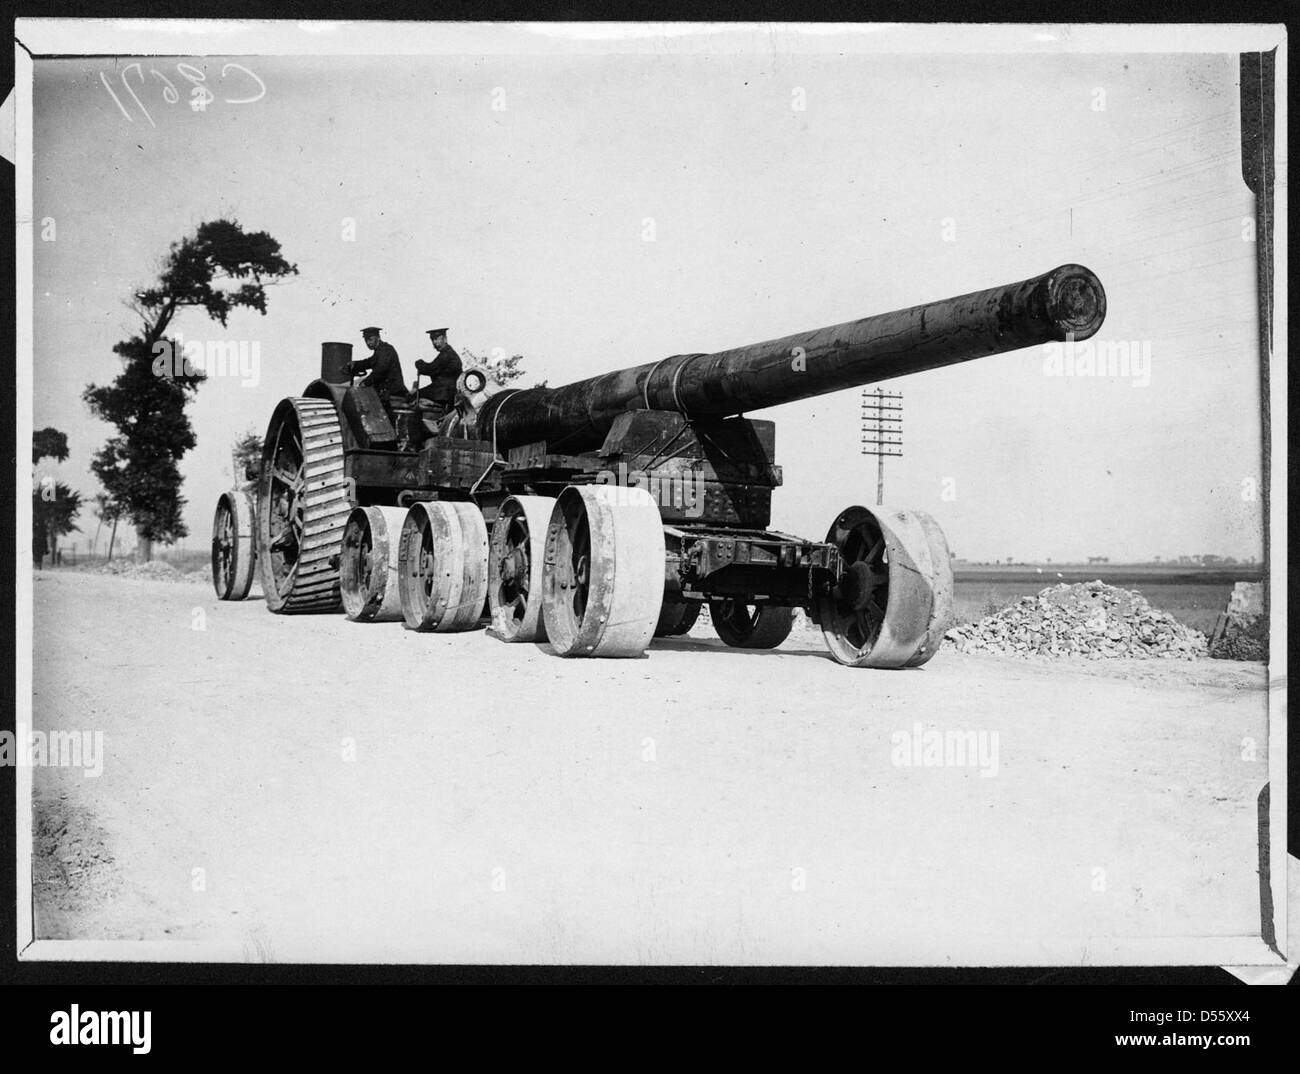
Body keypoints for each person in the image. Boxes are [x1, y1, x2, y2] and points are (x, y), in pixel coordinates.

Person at [348, 327, 407, 400]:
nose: (368, 343)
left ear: (378, 337)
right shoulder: (379, 351)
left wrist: (365, 383)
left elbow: (380, 370)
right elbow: (369, 362)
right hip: (385, 387)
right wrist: (356, 364)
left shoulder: (386, 350)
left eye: (370, 339)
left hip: (392, 389)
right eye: (366, 340)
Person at [414, 328, 463, 407]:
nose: (434, 343)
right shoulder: (448, 353)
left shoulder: (447, 354)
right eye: (432, 340)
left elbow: (430, 369)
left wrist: (419, 363)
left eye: (436, 339)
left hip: (444, 393)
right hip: (446, 392)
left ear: (445, 339)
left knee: (412, 396)